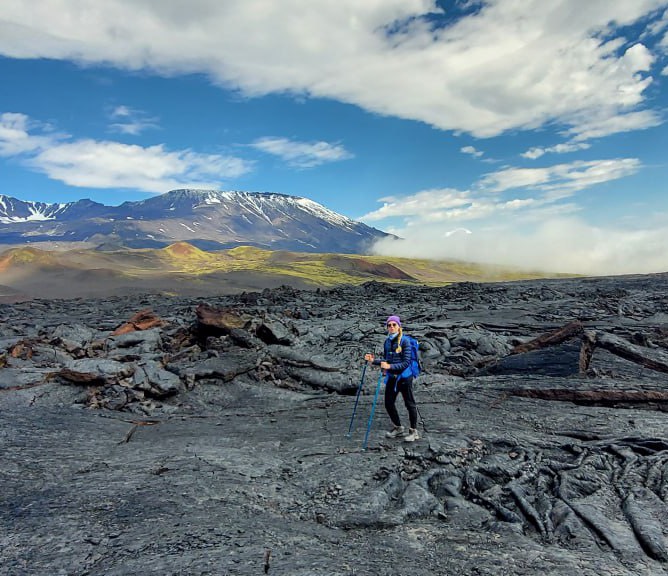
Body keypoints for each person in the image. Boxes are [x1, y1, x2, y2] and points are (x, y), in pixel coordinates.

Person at [364, 315, 420, 442]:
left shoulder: (404, 341)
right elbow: (386, 360)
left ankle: (413, 431)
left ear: (399, 327)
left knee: (409, 404)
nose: (391, 327)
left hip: (405, 378)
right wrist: (373, 361)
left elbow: (406, 363)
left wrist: (389, 366)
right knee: (388, 403)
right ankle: (398, 427)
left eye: (394, 325)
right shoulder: (387, 342)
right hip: (392, 377)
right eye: (389, 325)